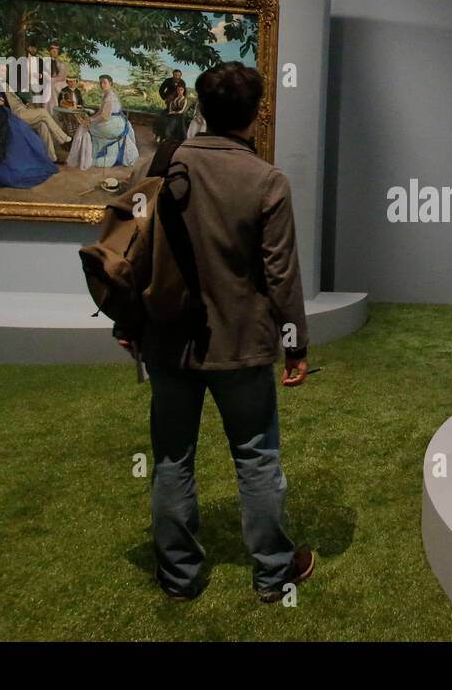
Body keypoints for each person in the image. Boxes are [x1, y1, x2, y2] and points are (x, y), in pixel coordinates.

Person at [116, 61, 313, 603]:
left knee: (172, 458)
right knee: (256, 456)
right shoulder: (266, 180)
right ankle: (273, 574)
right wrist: (295, 344)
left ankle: (179, 578)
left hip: (167, 340)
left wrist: (128, 323)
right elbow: (281, 275)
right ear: (256, 113)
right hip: (241, 345)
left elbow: (131, 256)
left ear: (200, 107)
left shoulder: (156, 165)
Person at [67, 74, 139, 169]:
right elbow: (100, 112)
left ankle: (85, 158)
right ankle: (85, 155)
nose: (102, 85)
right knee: (86, 124)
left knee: (84, 127)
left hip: (113, 123)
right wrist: (90, 119)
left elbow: (105, 116)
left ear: (111, 84)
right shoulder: (108, 94)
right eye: (101, 82)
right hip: (114, 121)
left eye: (104, 82)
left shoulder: (110, 97)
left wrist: (91, 120)